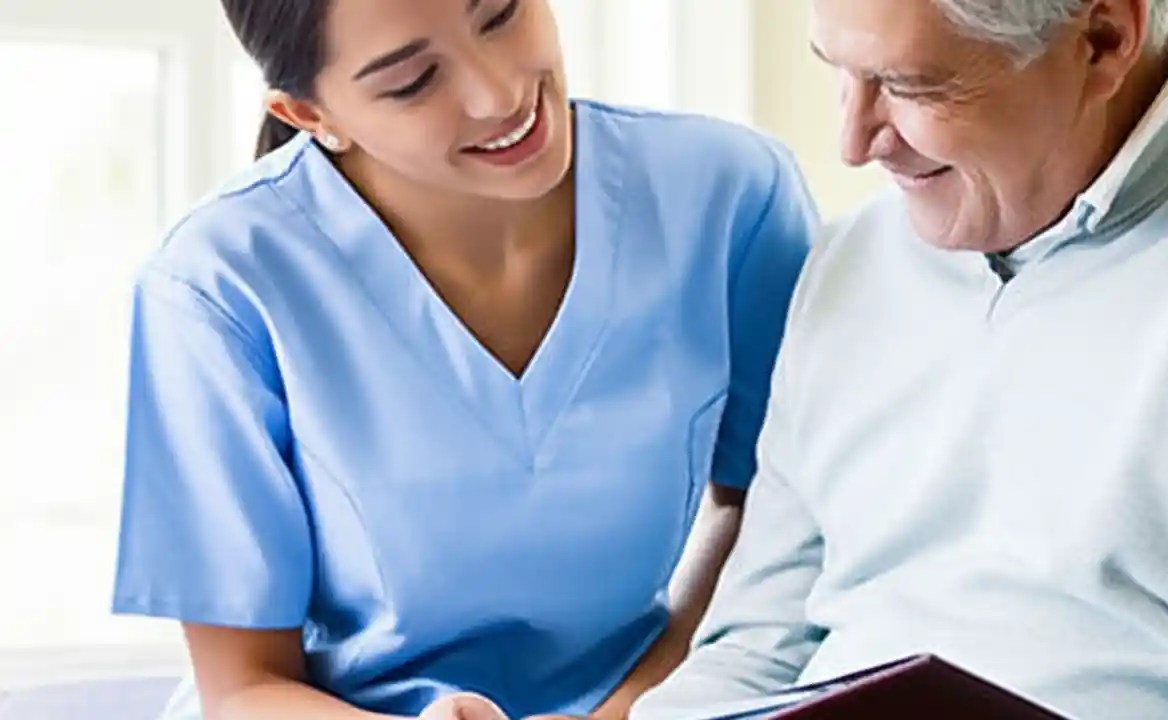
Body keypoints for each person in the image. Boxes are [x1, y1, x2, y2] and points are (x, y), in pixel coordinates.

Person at [110, 0, 817, 717]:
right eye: (414, 81)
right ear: (309, 116)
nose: (499, 93)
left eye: (501, 14)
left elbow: (773, 515)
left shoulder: (729, 194)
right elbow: (240, 688)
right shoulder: (216, 284)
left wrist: (636, 707)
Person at [633, 1, 1168, 719]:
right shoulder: (854, 261)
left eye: (909, 86)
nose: (854, 141)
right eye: (842, 75)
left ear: (1101, 40)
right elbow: (756, 652)